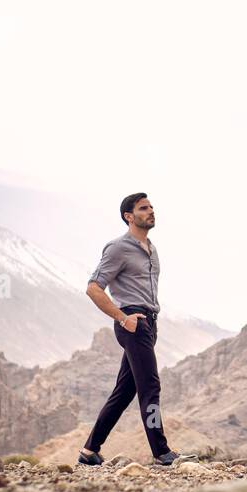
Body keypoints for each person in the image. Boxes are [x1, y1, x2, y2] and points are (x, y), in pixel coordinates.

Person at [78, 192, 193, 467]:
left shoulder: (151, 249)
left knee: (124, 391)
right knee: (150, 386)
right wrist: (122, 318)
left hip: (149, 323)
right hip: (133, 323)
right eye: (144, 208)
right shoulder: (118, 248)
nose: (151, 211)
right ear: (129, 216)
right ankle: (162, 452)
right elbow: (93, 287)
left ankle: (89, 450)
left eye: (152, 207)